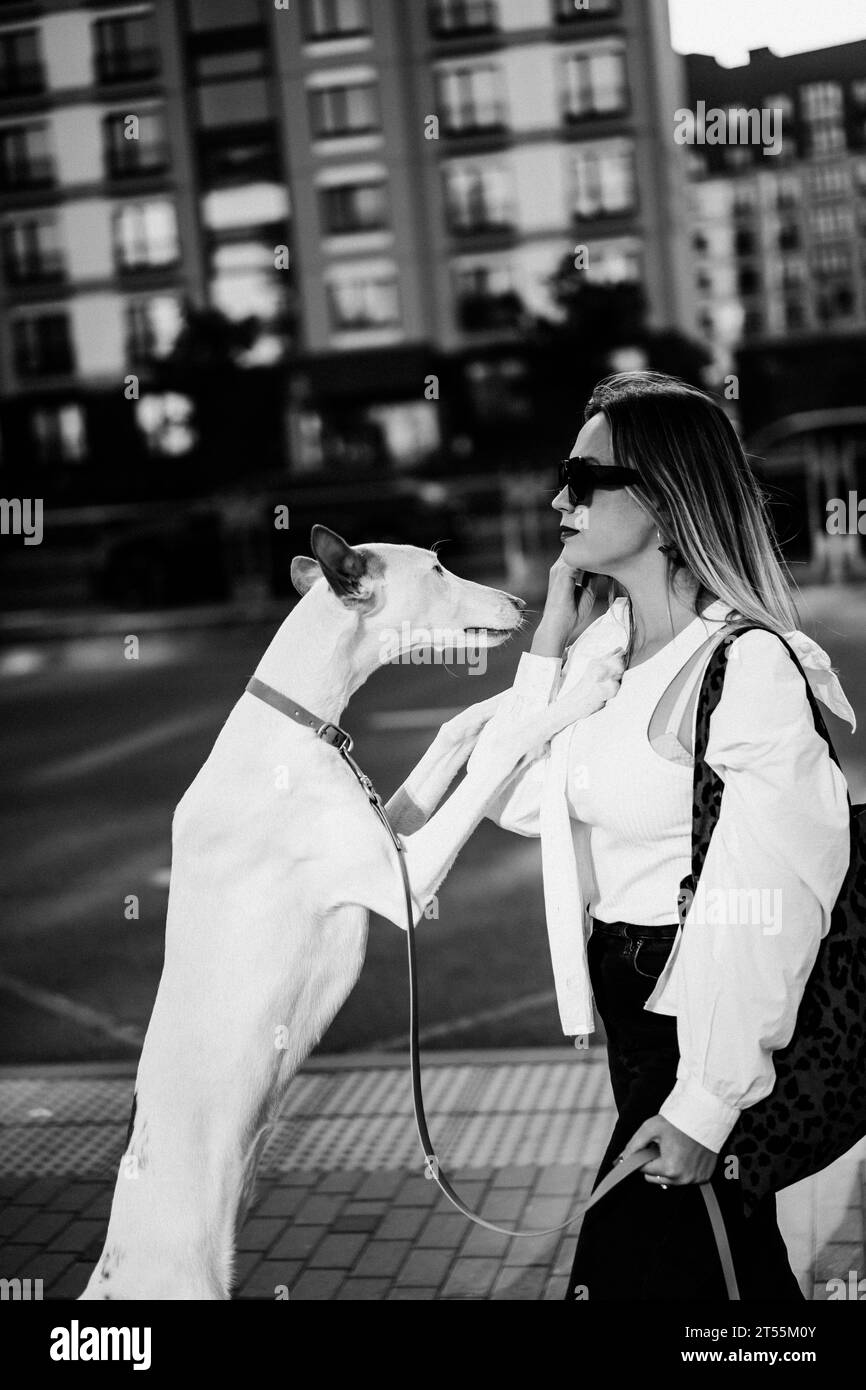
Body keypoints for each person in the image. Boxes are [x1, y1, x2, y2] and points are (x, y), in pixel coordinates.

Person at [467, 371, 854, 1300]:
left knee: (641, 1272)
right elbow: (518, 796)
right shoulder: (606, 650)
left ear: (668, 500)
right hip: (635, 1020)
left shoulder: (747, 666)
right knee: (725, 1277)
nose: (561, 498)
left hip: (698, 1021)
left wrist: (707, 1103)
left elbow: (777, 909)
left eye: (585, 477)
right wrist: (550, 641)